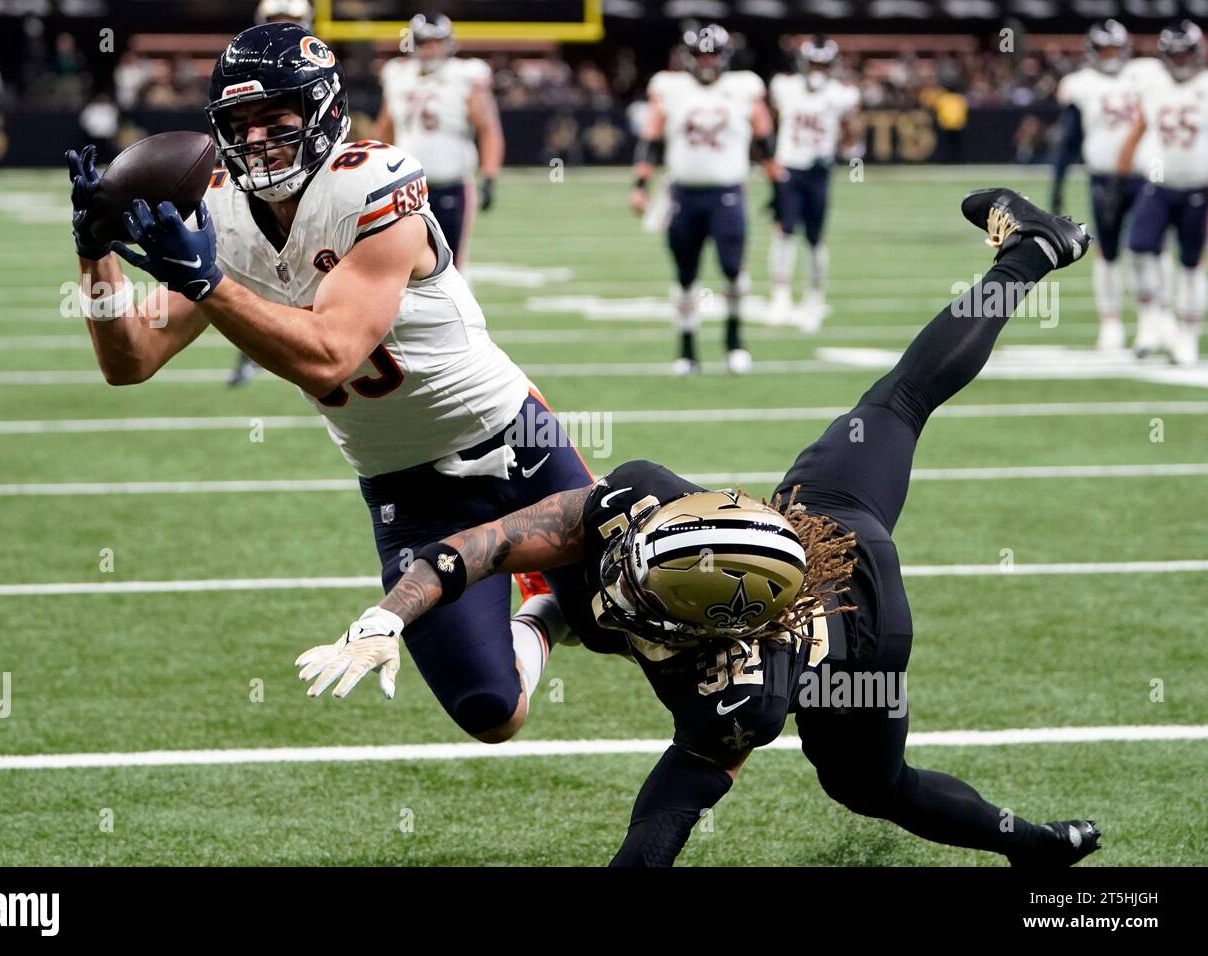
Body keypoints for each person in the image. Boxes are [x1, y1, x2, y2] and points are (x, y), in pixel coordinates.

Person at [300, 188, 1102, 868]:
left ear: (699, 627)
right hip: (810, 516)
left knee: (868, 787)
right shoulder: (631, 501)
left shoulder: (742, 688)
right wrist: (387, 616)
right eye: (628, 568)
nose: (618, 578)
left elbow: (675, 800)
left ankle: (1028, 843)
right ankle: (1032, 249)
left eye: (639, 592)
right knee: (894, 403)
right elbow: (477, 547)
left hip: (858, 620)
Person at [66, 23, 589, 746]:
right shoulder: (218, 212)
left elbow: (330, 357)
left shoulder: (371, 186)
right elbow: (128, 363)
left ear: (322, 113)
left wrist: (210, 282)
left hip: (511, 440)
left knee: (635, 614)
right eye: (238, 126)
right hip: (406, 489)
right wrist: (96, 257)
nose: (256, 142)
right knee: (491, 713)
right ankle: (542, 610)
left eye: (275, 121)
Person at [630, 24, 778, 375]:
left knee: (732, 270)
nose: (707, 61)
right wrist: (640, 183)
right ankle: (687, 350)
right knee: (685, 275)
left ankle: (734, 342)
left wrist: (779, 187)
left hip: (727, 193)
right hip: (683, 194)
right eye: (700, 54)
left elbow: (765, 137)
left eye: (712, 54)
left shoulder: (744, 87)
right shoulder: (671, 88)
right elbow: (652, 137)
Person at [1053, 19, 1167, 352]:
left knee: (1149, 249)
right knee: (1107, 252)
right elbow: (1069, 141)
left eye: (1114, 48)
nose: (1110, 55)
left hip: (1145, 175)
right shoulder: (1081, 84)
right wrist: (1057, 185)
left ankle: (1154, 319)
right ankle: (1112, 323)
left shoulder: (1147, 75)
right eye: (1104, 48)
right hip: (1103, 177)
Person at [374, 12, 504, 271]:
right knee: (404, 264)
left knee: (451, 264)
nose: (429, 49)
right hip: (406, 188)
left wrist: (489, 176)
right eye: (422, 42)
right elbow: (385, 129)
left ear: (448, 43)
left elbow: (488, 128)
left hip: (451, 186)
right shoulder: (397, 75)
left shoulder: (466, 76)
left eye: (435, 41)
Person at [1117, 19, 1208, 366]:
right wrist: (1119, 177)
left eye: (1186, 53)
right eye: (1175, 53)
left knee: (1190, 264)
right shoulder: (1153, 85)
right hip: (1157, 184)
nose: (1181, 60)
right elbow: (1139, 129)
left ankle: (1187, 336)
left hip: (1198, 187)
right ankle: (1152, 319)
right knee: (1139, 247)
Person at [767, 36, 860, 331]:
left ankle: (815, 296)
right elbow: (769, 122)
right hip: (789, 169)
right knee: (783, 232)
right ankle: (780, 296)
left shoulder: (839, 94)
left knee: (816, 238)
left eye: (823, 64)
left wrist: (846, 149)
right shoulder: (785, 87)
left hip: (819, 172)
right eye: (814, 63)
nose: (818, 69)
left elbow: (850, 131)